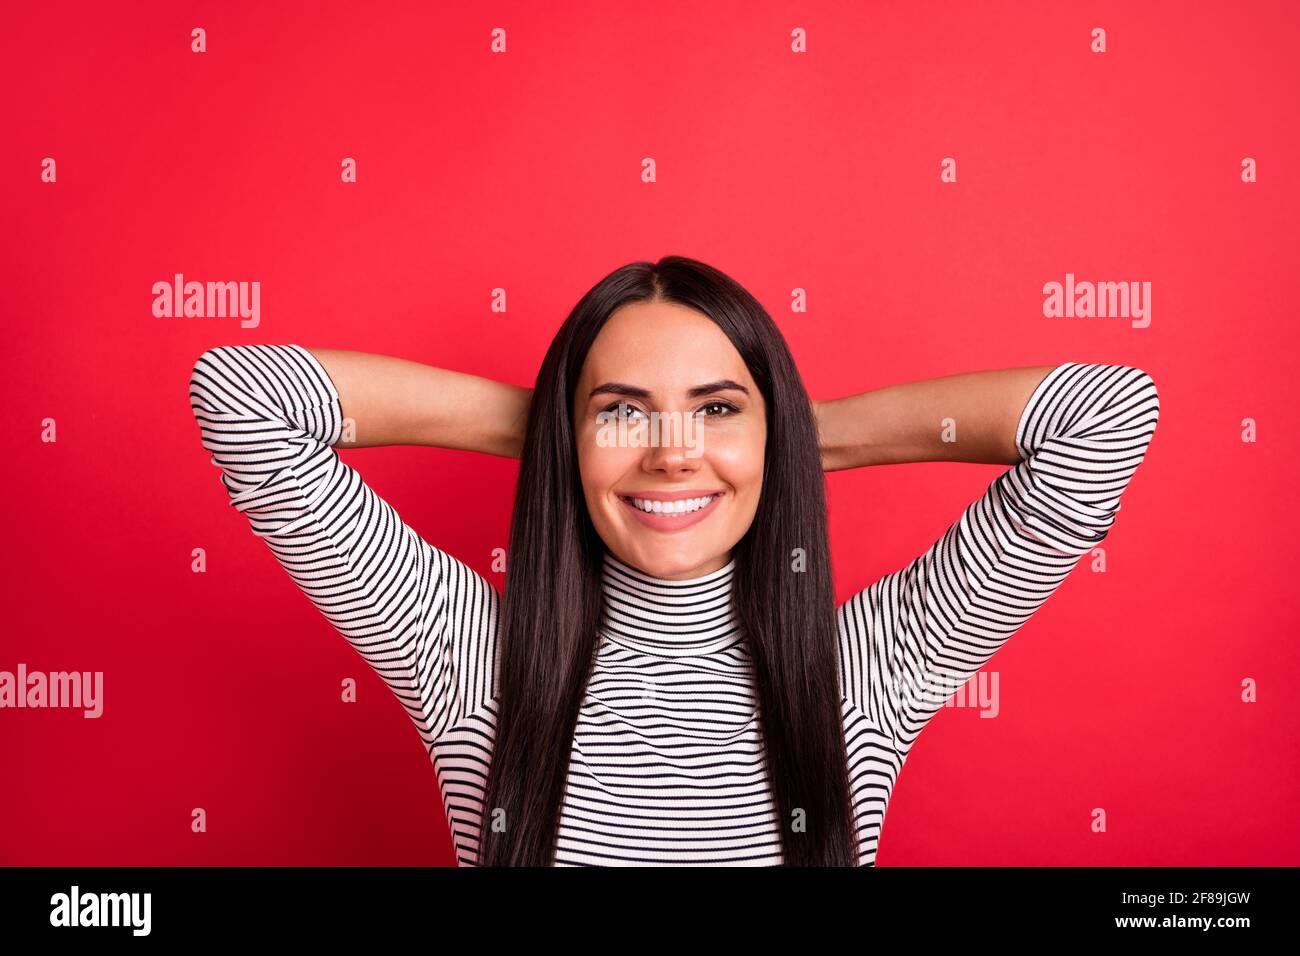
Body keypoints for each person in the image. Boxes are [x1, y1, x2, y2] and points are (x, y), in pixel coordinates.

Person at [187, 254, 1160, 866]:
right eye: (623, 408)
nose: (671, 450)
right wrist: (563, 431)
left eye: (716, 407)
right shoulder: (469, 656)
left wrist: (782, 436)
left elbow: (1106, 416)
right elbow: (242, 395)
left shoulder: (863, 668)